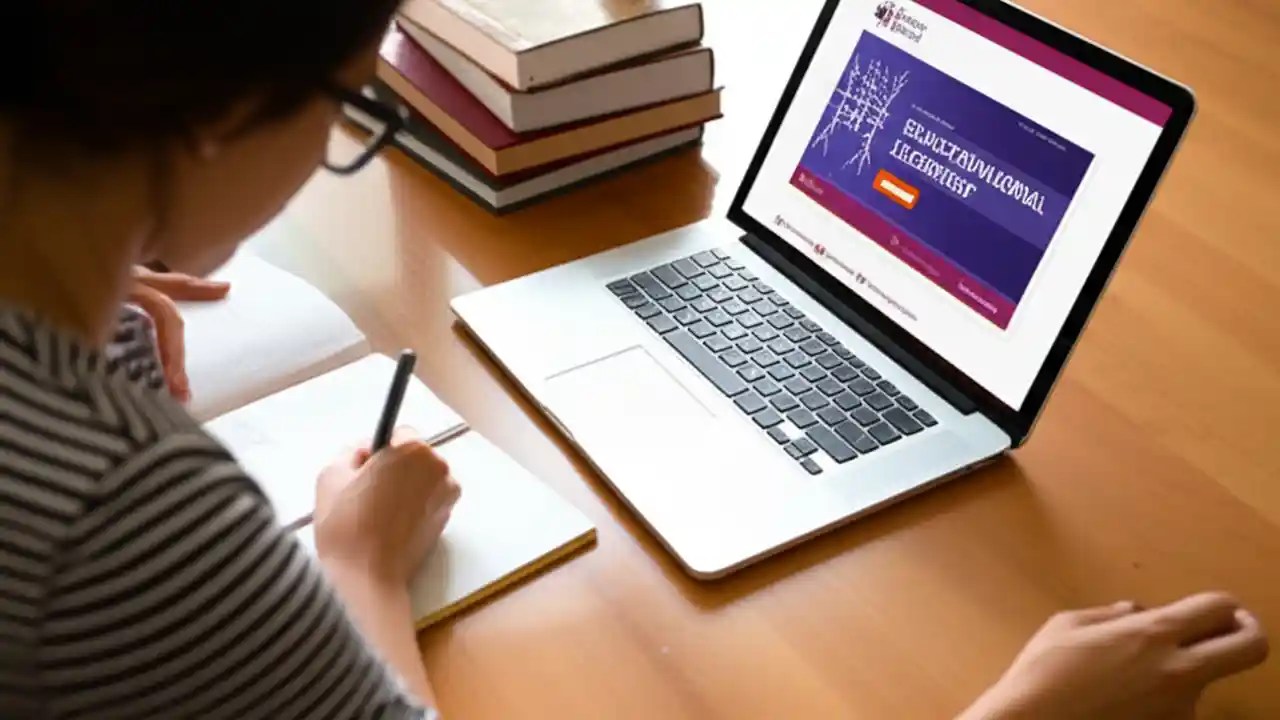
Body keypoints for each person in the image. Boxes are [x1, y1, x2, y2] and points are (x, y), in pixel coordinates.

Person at [0, 1, 1266, 718]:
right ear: (214, 115)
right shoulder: (111, 512)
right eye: (355, 102)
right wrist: (355, 564)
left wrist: (95, 257)